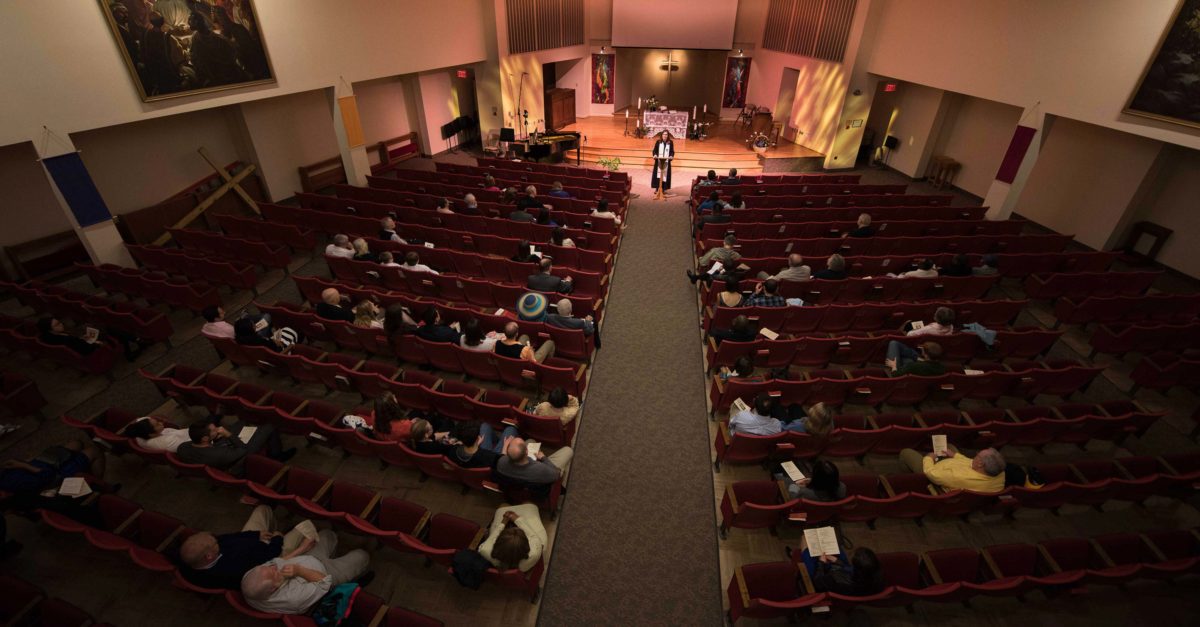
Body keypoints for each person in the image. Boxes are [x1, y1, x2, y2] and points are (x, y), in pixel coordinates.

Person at [178, 506, 318, 590]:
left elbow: (225, 539)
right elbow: (270, 557)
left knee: (262, 509)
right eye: (215, 544)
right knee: (306, 526)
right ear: (209, 556)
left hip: (252, 547)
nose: (217, 541)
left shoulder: (189, 559)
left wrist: (255, 534)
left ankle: (275, 529)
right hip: (269, 556)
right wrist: (277, 538)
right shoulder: (234, 568)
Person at [240, 530, 371, 614]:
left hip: (309, 558)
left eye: (270, 567)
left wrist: (302, 548)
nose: (275, 567)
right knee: (362, 555)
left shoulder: (251, 580)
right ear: (273, 590)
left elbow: (277, 561)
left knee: (327, 534)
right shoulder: (293, 599)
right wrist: (299, 571)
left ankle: (334, 553)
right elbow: (325, 582)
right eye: (274, 573)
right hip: (327, 573)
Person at [176, 420, 295, 474]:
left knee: (240, 424)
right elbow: (242, 450)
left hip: (217, 455)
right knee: (270, 427)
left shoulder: (182, 448)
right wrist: (228, 435)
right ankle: (277, 456)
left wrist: (214, 440)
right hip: (237, 462)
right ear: (204, 439)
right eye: (214, 430)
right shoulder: (219, 454)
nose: (218, 429)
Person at [0, 439, 107, 495]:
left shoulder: (3, 476)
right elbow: (47, 475)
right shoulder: (14, 484)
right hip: (57, 473)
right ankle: (98, 485)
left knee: (76, 443)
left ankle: (86, 470)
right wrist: (22, 465)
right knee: (94, 451)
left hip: (46, 461)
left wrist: (27, 462)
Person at [898, 445, 1006, 493]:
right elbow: (970, 462)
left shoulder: (957, 477)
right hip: (952, 469)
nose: (975, 455)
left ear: (980, 464)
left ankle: (912, 479)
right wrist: (955, 455)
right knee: (949, 446)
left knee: (906, 452)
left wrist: (929, 458)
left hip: (935, 474)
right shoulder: (1000, 474)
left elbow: (932, 474)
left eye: (977, 455)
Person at [478, 503, 547, 572]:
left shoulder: (484, 550)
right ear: (526, 545)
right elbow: (532, 535)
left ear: (497, 541)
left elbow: (492, 538)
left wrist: (503, 522)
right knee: (528, 503)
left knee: (503, 505)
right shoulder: (534, 553)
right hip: (526, 570)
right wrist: (517, 519)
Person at [797, 545, 885, 597]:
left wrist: (821, 563)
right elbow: (850, 571)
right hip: (847, 586)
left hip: (826, 581)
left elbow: (818, 582)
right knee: (837, 548)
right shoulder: (876, 576)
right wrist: (838, 561)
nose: (850, 554)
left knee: (807, 549)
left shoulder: (836, 578)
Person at [496, 437, 573, 485]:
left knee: (530, 440)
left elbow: (502, 457)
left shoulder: (501, 462)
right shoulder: (541, 469)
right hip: (543, 477)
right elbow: (556, 474)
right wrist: (543, 458)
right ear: (527, 452)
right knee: (568, 450)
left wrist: (505, 445)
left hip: (518, 483)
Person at [449, 420, 517, 469]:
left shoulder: (453, 450)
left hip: (476, 459)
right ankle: (500, 442)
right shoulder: (488, 456)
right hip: (491, 461)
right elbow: (502, 462)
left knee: (485, 426)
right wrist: (505, 446)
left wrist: (476, 444)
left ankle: (498, 442)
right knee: (510, 429)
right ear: (478, 438)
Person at [780, 458, 846, 500]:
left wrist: (795, 485)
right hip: (825, 513)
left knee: (783, 478)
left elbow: (791, 497)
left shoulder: (804, 492)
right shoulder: (842, 487)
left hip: (805, 514)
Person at [37, 317, 105, 356]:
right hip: (88, 353)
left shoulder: (47, 337)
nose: (61, 324)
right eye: (57, 325)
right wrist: (96, 343)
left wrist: (81, 339)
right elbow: (86, 349)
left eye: (59, 322)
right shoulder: (66, 340)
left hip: (78, 347)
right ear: (50, 330)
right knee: (103, 333)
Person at [122, 416, 191, 452]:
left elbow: (141, 419)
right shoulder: (168, 442)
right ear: (151, 434)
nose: (161, 423)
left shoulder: (139, 435)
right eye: (157, 424)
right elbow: (192, 443)